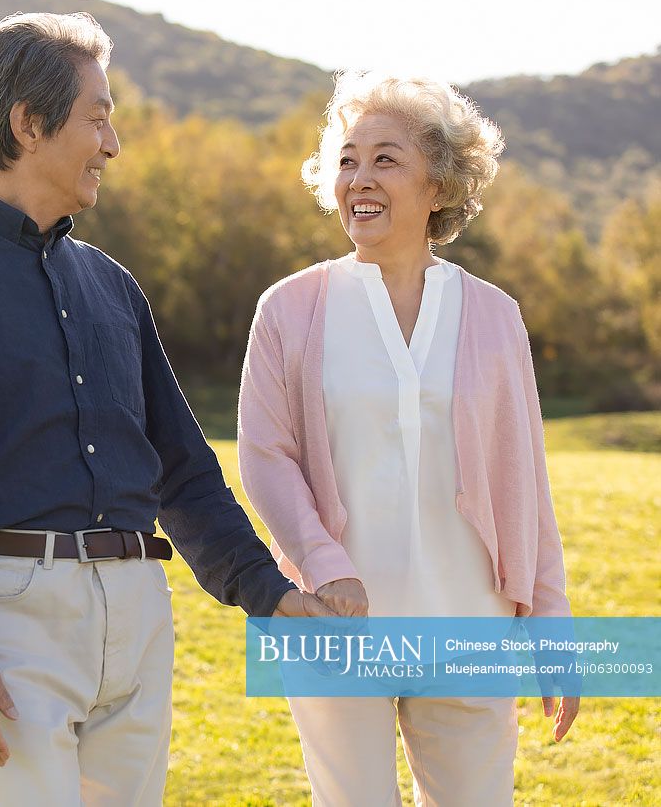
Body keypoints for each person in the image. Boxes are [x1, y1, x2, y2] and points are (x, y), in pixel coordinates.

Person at [0, 12, 331, 806]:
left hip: (139, 614)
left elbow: (180, 467)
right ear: (28, 124)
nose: (112, 144)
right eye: (98, 118)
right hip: (7, 619)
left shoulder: (112, 286)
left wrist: (267, 590)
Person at [237, 71, 580, 805]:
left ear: (439, 184)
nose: (358, 178)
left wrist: (550, 623)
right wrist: (323, 564)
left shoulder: (493, 315)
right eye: (346, 159)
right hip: (337, 625)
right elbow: (265, 457)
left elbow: (526, 482)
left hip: (469, 625)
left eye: (385, 158)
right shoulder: (290, 308)